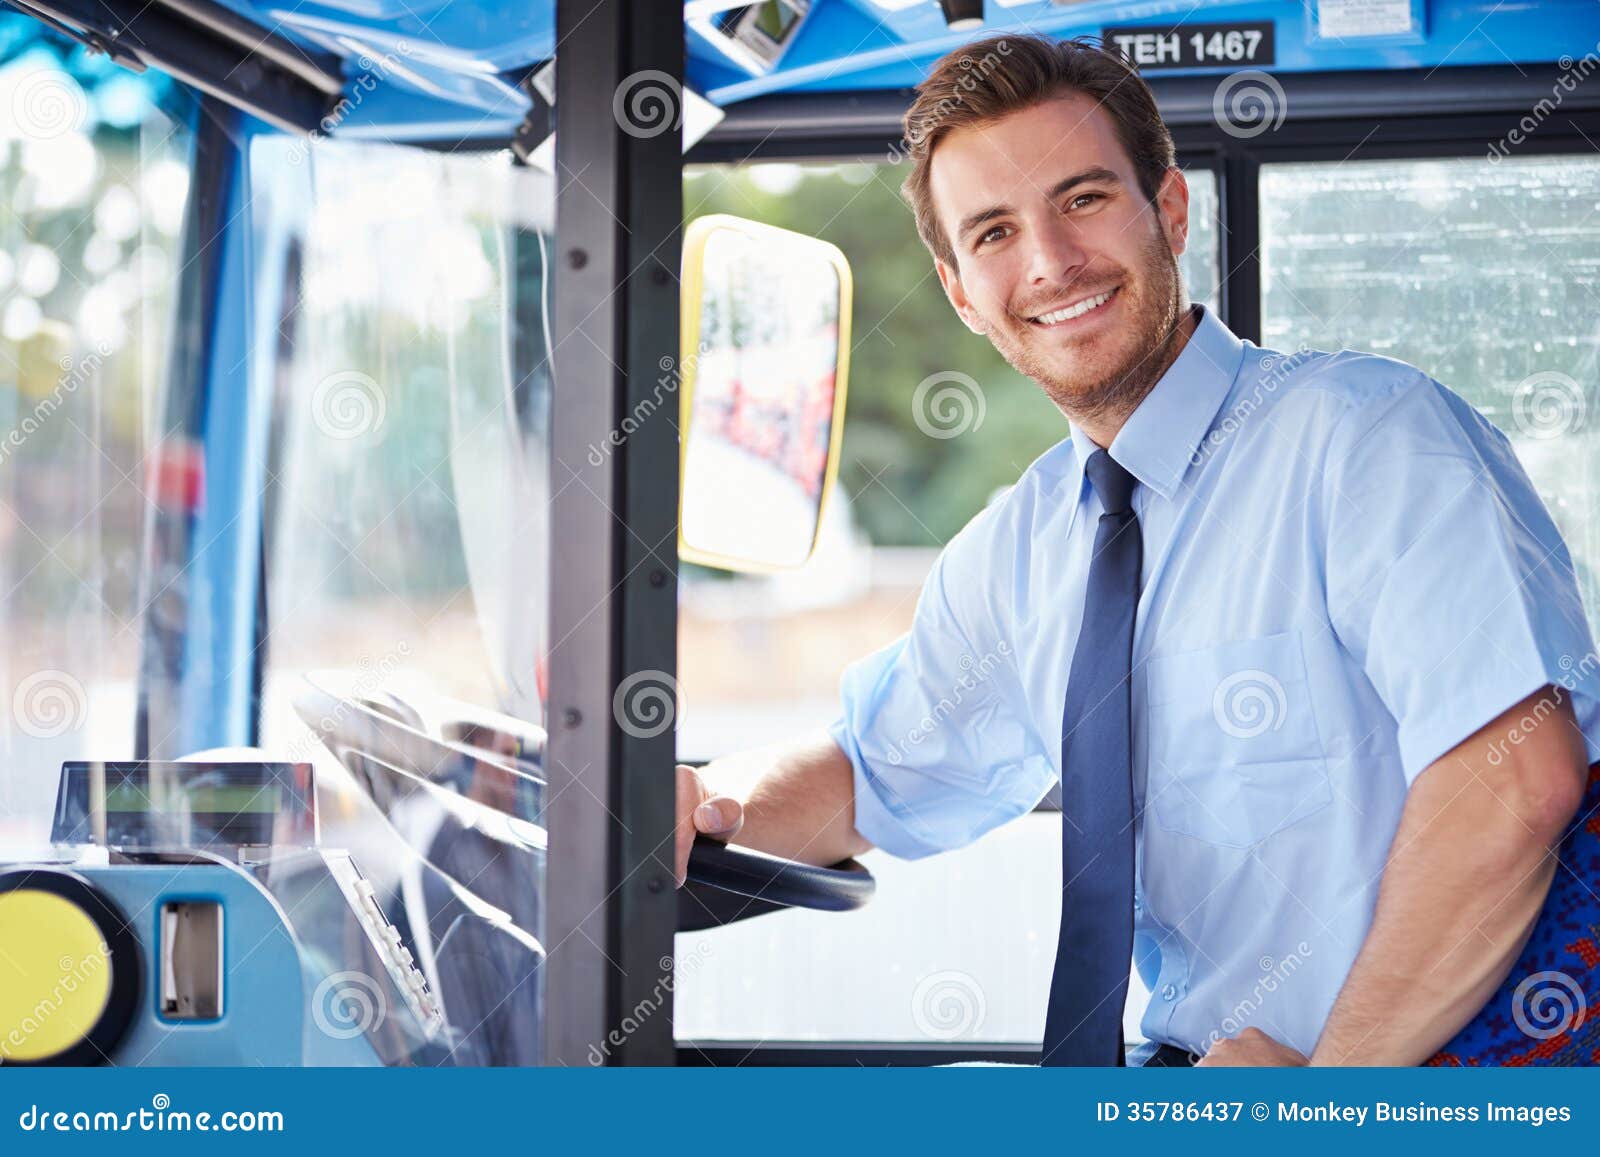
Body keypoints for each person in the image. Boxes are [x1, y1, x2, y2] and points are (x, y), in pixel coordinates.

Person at [675, 34, 1599, 1067]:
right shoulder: (1019, 553)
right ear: (959, 291)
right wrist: (700, 801)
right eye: (993, 232)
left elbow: (1514, 783)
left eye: (1082, 199)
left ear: (1169, 208)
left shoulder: (1367, 439)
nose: (1049, 262)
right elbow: (867, 769)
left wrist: (1326, 1104)